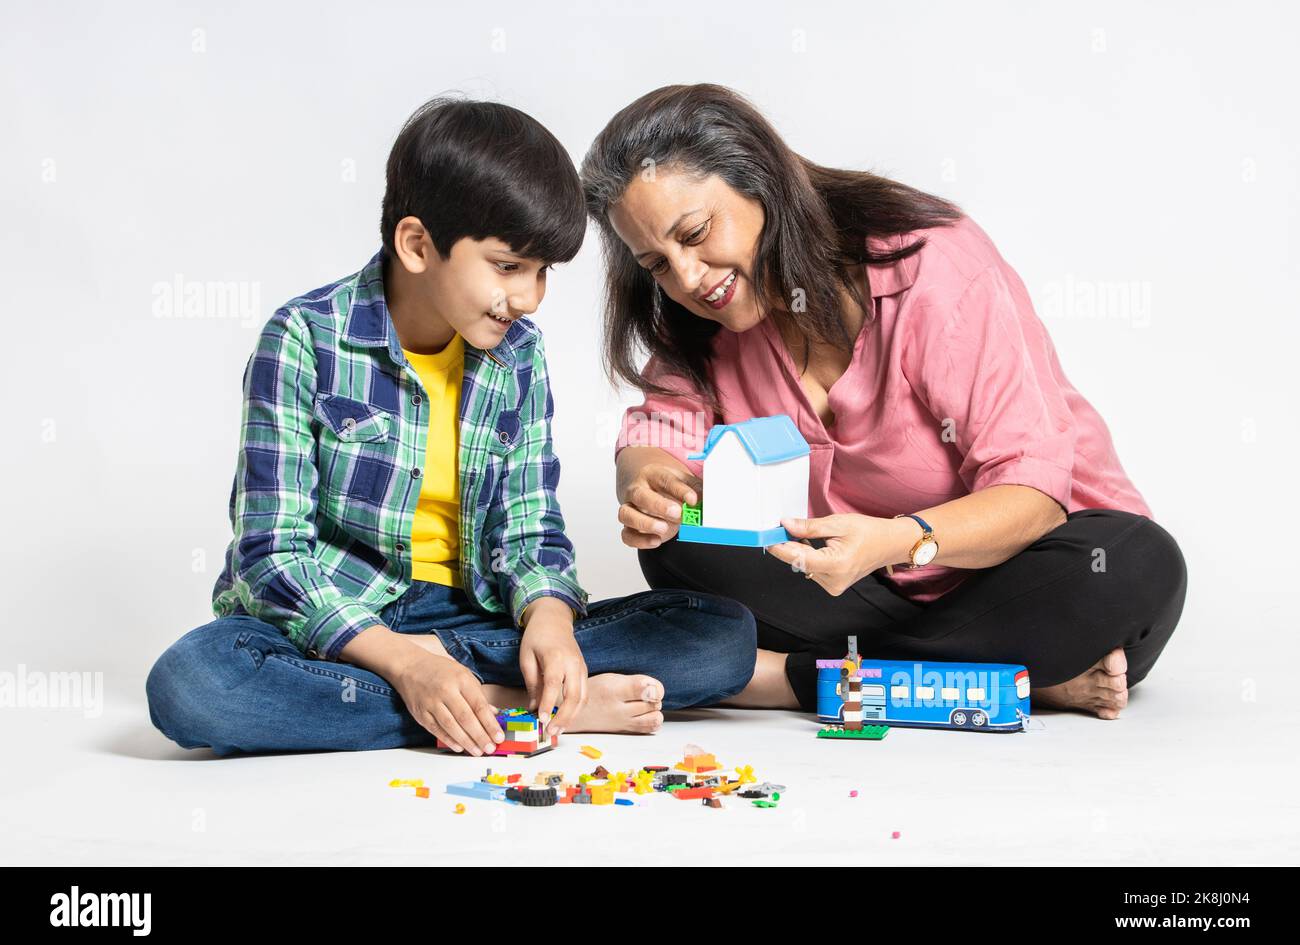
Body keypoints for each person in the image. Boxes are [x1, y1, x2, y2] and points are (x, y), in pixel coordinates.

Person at [145, 96, 756, 757]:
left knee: (718, 637)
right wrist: (407, 666)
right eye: (507, 266)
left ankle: (455, 695)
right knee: (195, 684)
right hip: (339, 620)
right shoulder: (304, 340)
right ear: (417, 245)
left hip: (473, 616)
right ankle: (510, 708)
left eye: (543, 272)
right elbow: (272, 558)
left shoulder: (517, 351)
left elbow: (531, 532)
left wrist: (548, 624)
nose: (528, 298)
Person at [581, 83, 1187, 720]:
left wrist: (898, 540)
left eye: (696, 232)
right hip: (863, 589)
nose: (688, 278)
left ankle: (789, 680)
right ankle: (1004, 680)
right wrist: (649, 483)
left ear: (760, 180)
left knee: (1135, 565)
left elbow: (1034, 497)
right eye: (656, 263)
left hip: (1016, 576)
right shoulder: (705, 321)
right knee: (681, 544)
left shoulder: (933, 265)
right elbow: (660, 429)